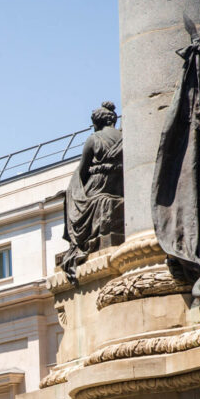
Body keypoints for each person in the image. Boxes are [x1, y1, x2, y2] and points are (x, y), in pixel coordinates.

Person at [60, 101, 124, 280]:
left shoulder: (94, 139)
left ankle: (76, 241)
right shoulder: (124, 136)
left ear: (97, 123)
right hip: (120, 184)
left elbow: (82, 170)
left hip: (99, 184)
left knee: (72, 195)